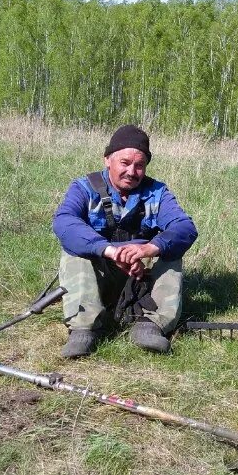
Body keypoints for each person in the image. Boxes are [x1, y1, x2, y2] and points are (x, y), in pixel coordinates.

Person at [53, 125, 198, 358]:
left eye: (139, 165)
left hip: (140, 279)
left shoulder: (157, 193)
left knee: (172, 251)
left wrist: (148, 249)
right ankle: (84, 329)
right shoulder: (83, 188)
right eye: (125, 163)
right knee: (74, 250)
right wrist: (110, 251)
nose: (132, 171)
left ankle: (151, 325)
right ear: (107, 160)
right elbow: (64, 222)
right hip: (100, 274)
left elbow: (185, 228)